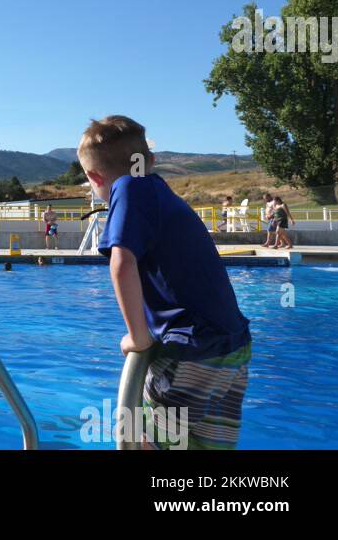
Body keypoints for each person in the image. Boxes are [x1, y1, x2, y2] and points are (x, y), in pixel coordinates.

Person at [77, 115, 251, 449]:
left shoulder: (128, 186)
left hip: (192, 350)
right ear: (151, 160)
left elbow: (122, 263)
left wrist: (139, 338)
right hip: (232, 347)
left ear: (93, 177)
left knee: (143, 440)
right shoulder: (159, 191)